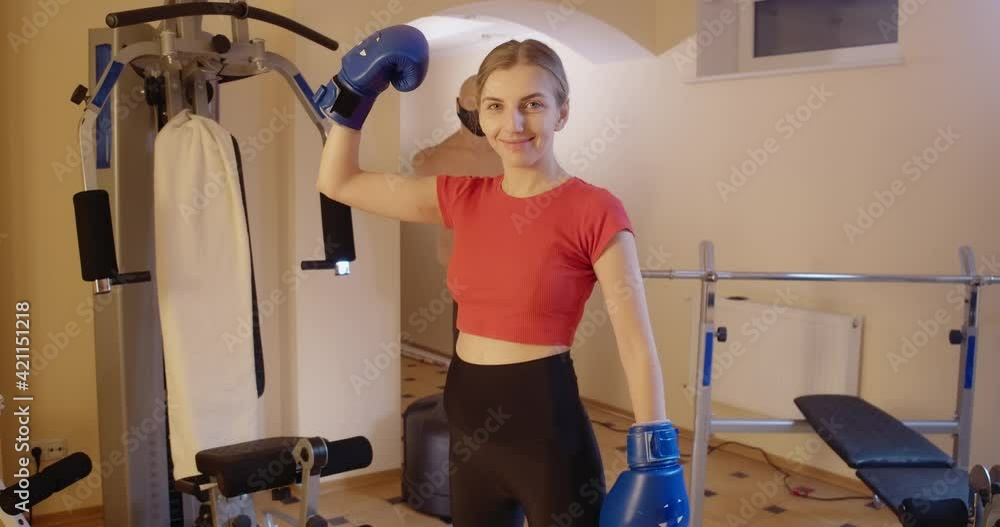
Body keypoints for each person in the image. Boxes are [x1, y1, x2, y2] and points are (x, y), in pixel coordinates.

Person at [316, 26, 671, 527]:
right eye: (496, 106)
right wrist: (353, 96)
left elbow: (637, 344)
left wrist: (658, 452)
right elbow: (339, 181)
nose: (514, 123)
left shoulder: (595, 210)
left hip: (545, 429)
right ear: (479, 116)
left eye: (533, 104)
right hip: (467, 418)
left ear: (562, 112)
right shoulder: (464, 197)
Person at [410, 75, 504, 353]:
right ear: (458, 104)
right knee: (466, 359)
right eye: (470, 103)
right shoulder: (431, 159)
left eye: (484, 103)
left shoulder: (512, 156)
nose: (475, 110)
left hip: (512, 274)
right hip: (462, 279)